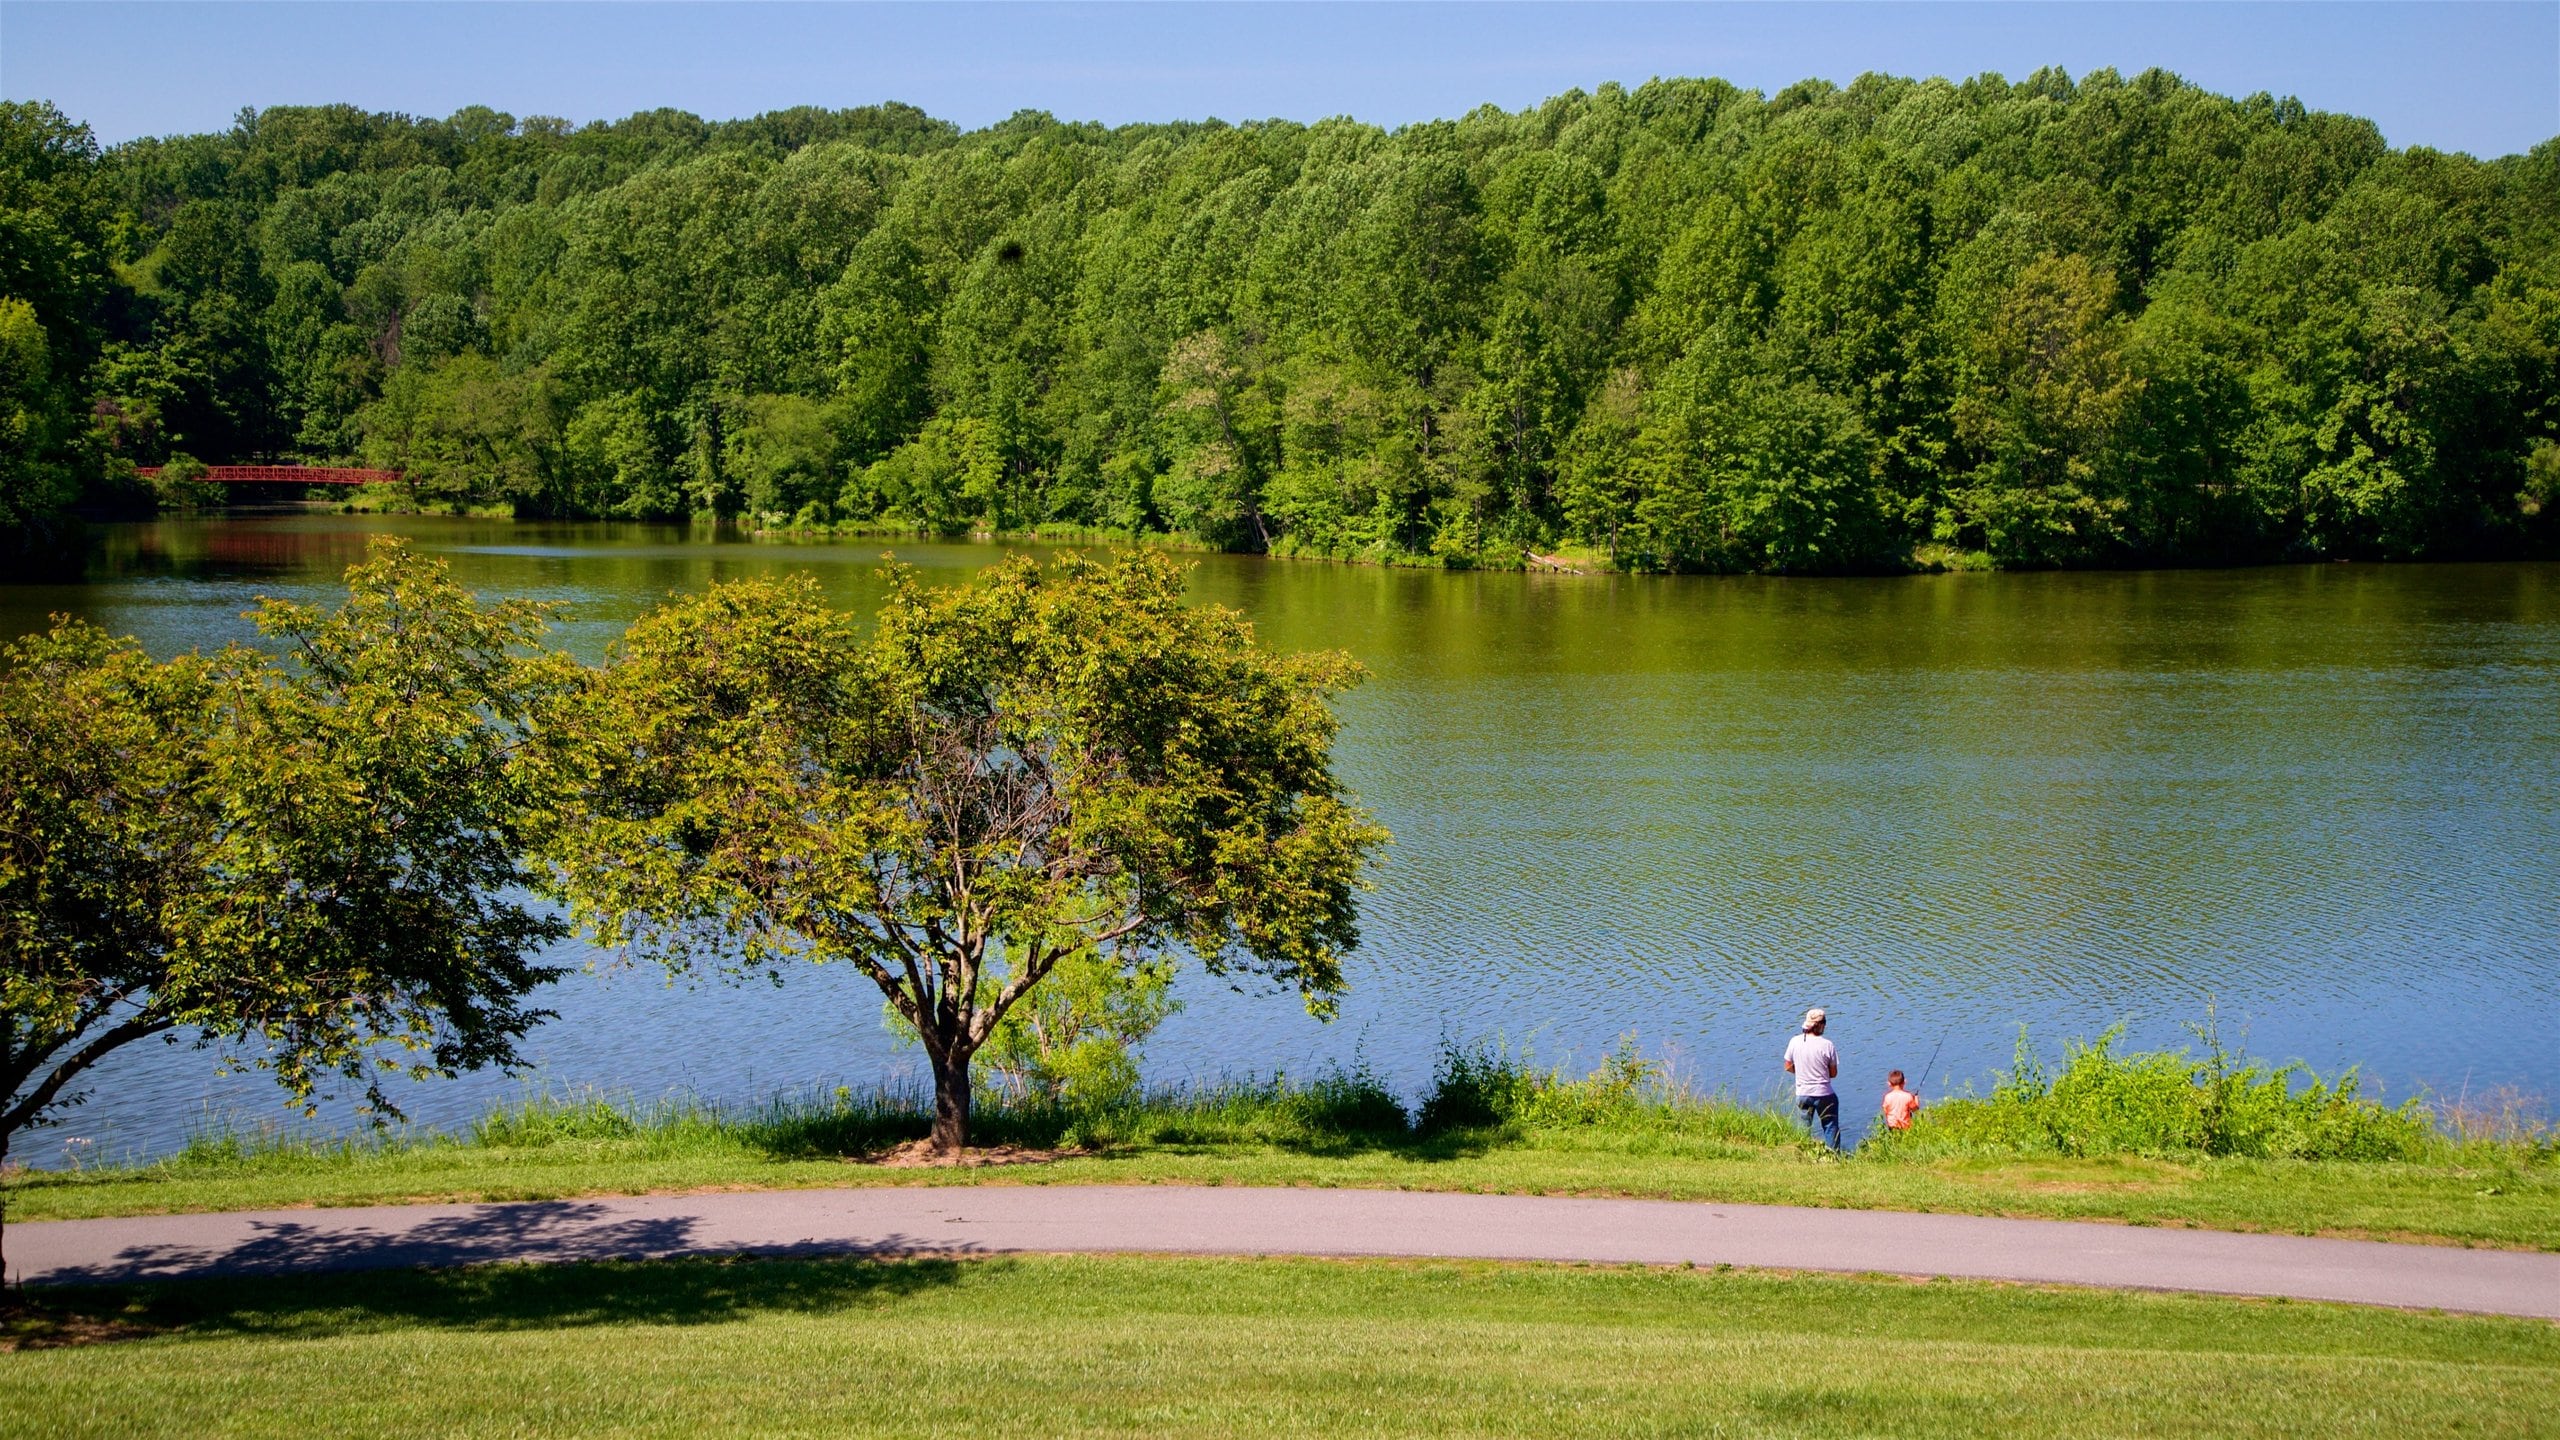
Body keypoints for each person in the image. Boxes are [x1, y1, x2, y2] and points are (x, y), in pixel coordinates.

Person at [1783, 1007, 1841, 1150]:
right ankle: (1833, 1156)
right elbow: (1833, 1073)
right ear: (1820, 1025)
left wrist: (1802, 1072)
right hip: (1824, 1094)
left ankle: (1803, 1154)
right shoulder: (1827, 1045)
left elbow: (1787, 1066)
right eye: (1825, 1022)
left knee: (1804, 1127)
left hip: (1802, 1093)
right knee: (1830, 1125)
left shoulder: (1794, 1041)